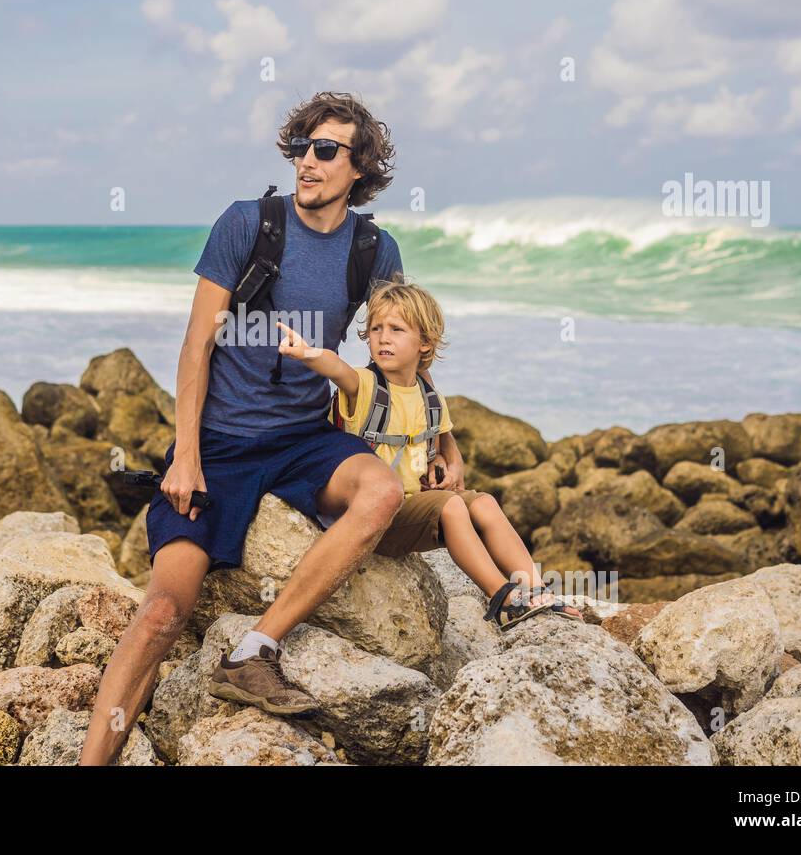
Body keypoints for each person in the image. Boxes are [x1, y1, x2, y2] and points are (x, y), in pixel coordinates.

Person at [79, 92, 470, 764]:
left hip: (304, 440)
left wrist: (445, 446)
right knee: (163, 612)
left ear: (359, 167)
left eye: (325, 151)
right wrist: (187, 457)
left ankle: (256, 647)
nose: (307, 163)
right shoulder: (247, 225)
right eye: (301, 148)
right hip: (221, 446)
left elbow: (402, 352)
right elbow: (195, 345)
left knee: (379, 494)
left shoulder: (375, 249)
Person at [275, 278, 584, 630]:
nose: (383, 337)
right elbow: (337, 369)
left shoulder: (429, 397)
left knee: (483, 502)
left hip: (410, 506)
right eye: (376, 328)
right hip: (373, 514)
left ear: (425, 343)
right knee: (450, 506)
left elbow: (436, 444)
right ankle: (503, 599)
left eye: (396, 329)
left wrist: (445, 468)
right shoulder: (366, 385)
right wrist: (308, 353)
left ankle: (535, 590)